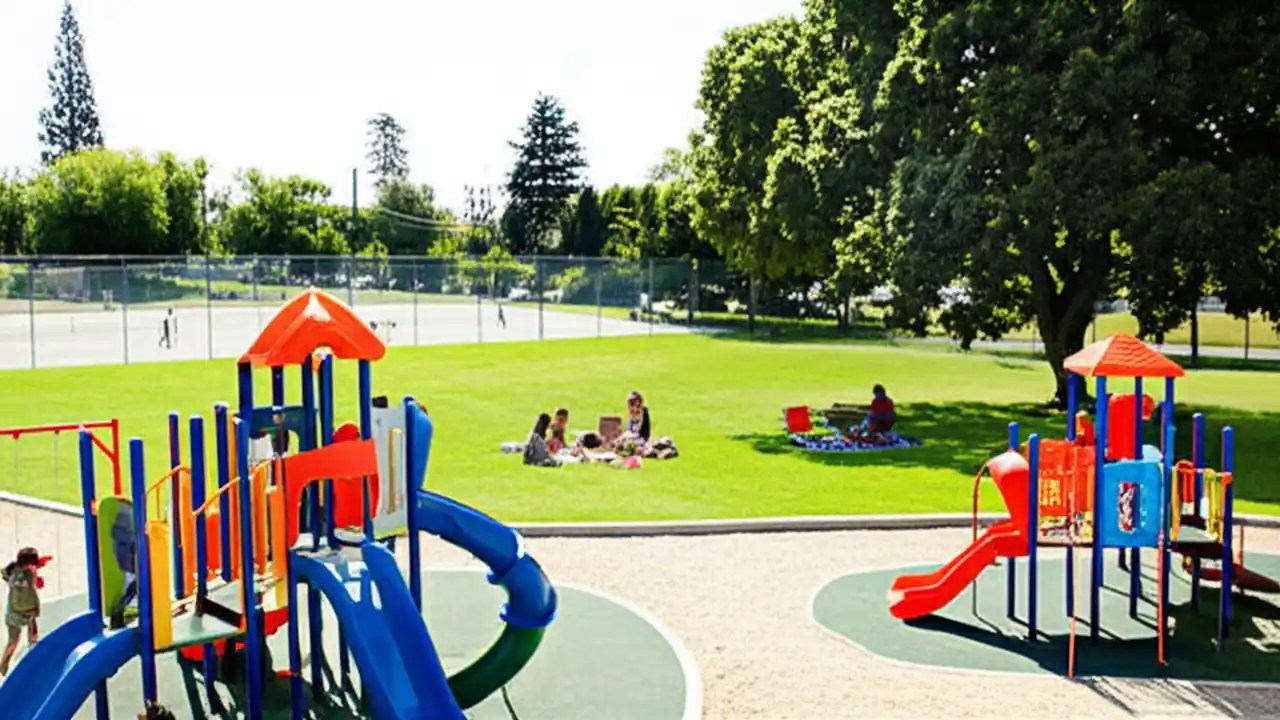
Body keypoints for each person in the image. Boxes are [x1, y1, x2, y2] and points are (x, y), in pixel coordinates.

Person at [1, 547, 47, 675]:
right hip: (25, 611)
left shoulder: (12, 571)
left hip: (13, 613)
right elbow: (36, 584)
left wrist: (39, 565)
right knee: (31, 637)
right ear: (28, 564)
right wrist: (37, 575)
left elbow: (7, 573)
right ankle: (33, 660)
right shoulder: (26, 576)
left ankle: (3, 666)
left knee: (12, 642)